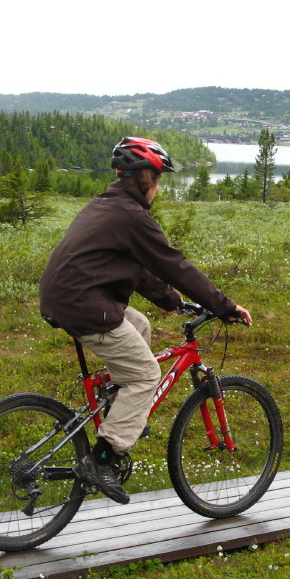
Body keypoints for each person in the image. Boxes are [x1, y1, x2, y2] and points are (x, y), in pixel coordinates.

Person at [39, 136, 251, 504]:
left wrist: (173, 302)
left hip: (70, 296)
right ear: (145, 177)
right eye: (158, 179)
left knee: (138, 326)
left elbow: (138, 270)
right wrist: (223, 306)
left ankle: (121, 411)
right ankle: (102, 459)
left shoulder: (110, 204)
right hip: (83, 303)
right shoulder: (131, 215)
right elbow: (175, 265)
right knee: (146, 375)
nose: (158, 187)